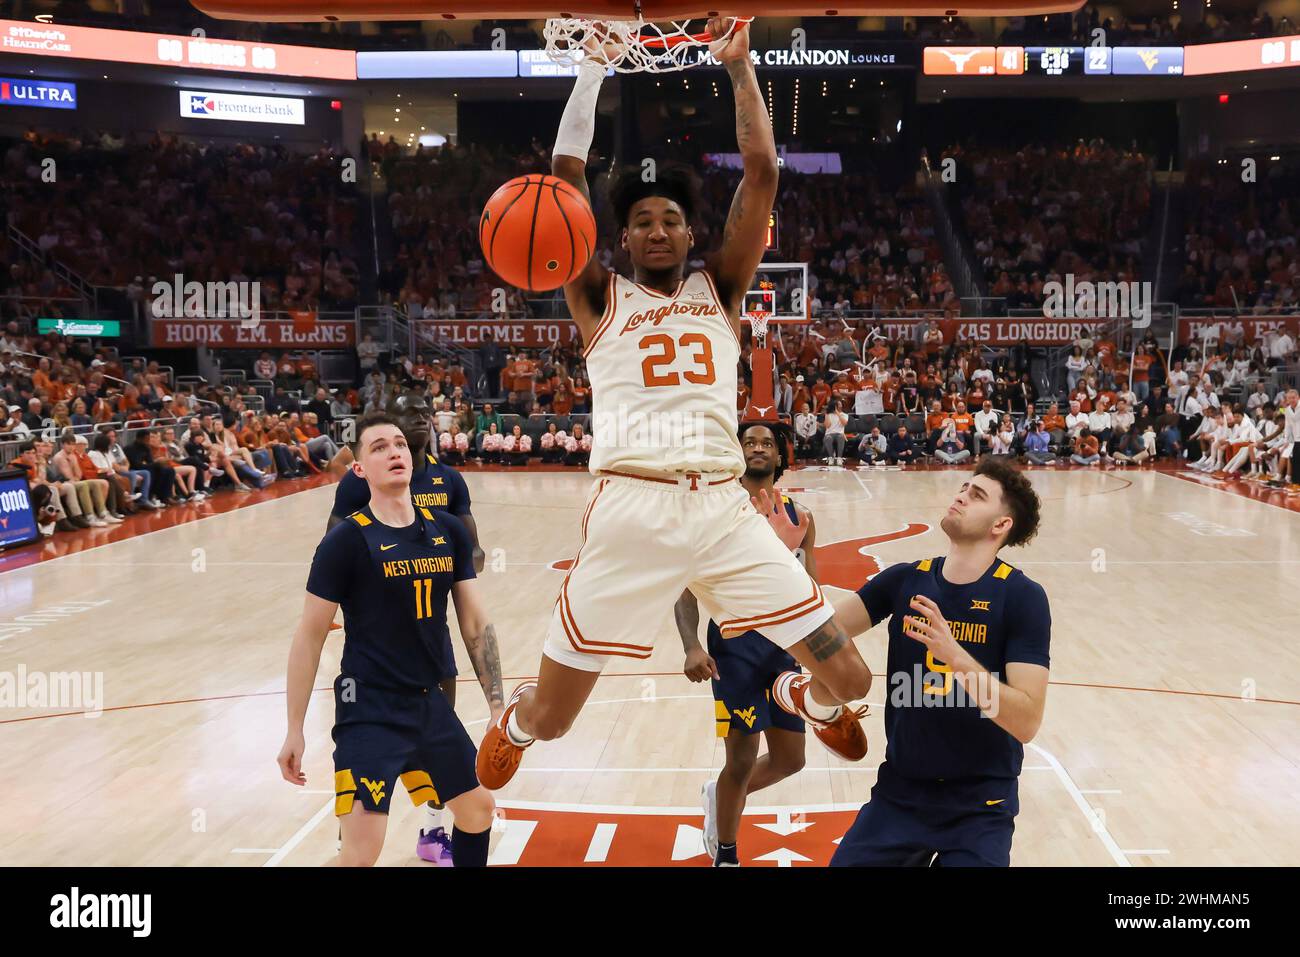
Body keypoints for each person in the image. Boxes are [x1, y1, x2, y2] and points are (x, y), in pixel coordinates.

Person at [476, 18, 871, 792]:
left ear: (692, 232)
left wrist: (740, 65)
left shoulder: (718, 288)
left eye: (671, 220)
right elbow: (561, 179)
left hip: (727, 511)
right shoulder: (596, 295)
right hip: (633, 509)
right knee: (555, 720)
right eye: (641, 222)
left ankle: (795, 693)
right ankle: (513, 720)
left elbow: (761, 171)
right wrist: (591, 71)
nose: (657, 230)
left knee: (852, 679)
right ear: (618, 238)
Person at [276, 413, 500, 867]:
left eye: (399, 444)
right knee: (361, 854)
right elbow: (309, 637)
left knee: (478, 811)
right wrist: (294, 728)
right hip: (368, 710)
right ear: (359, 469)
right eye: (378, 447)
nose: (394, 451)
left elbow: (475, 625)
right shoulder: (345, 542)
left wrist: (496, 706)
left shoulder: (448, 531)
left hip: (429, 702)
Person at [829, 458, 1050, 866]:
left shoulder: (1022, 597)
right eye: (964, 487)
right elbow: (820, 635)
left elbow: (1027, 721)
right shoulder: (904, 579)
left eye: (977, 494)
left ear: (1000, 525)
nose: (961, 494)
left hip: (981, 804)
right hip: (901, 793)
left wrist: (954, 655)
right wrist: (787, 561)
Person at [677, 422, 860, 867]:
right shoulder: (715, 513)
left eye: (767, 444)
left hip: (786, 646)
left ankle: (717, 795)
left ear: (781, 458)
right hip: (734, 646)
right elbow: (685, 587)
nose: (758, 448)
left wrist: (824, 658)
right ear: (737, 456)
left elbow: (812, 586)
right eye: (749, 443)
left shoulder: (800, 515)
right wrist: (690, 647)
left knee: (790, 759)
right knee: (739, 759)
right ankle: (726, 853)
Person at [327, 389, 484, 862]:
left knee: (441, 740)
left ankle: (433, 827)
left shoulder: (446, 478)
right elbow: (333, 544)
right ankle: (353, 837)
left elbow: (471, 547)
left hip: (432, 640)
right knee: (366, 819)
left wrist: (451, 559)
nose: (417, 420)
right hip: (374, 666)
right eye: (405, 415)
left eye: (422, 413)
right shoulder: (360, 485)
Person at [823, 399, 848, 466]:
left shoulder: (844, 415)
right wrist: (827, 414)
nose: (840, 406)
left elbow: (844, 423)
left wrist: (837, 413)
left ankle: (839, 458)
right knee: (828, 438)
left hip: (839, 433)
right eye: (838, 404)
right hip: (829, 434)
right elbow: (827, 426)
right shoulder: (828, 415)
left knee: (840, 437)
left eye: (840, 404)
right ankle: (831, 458)